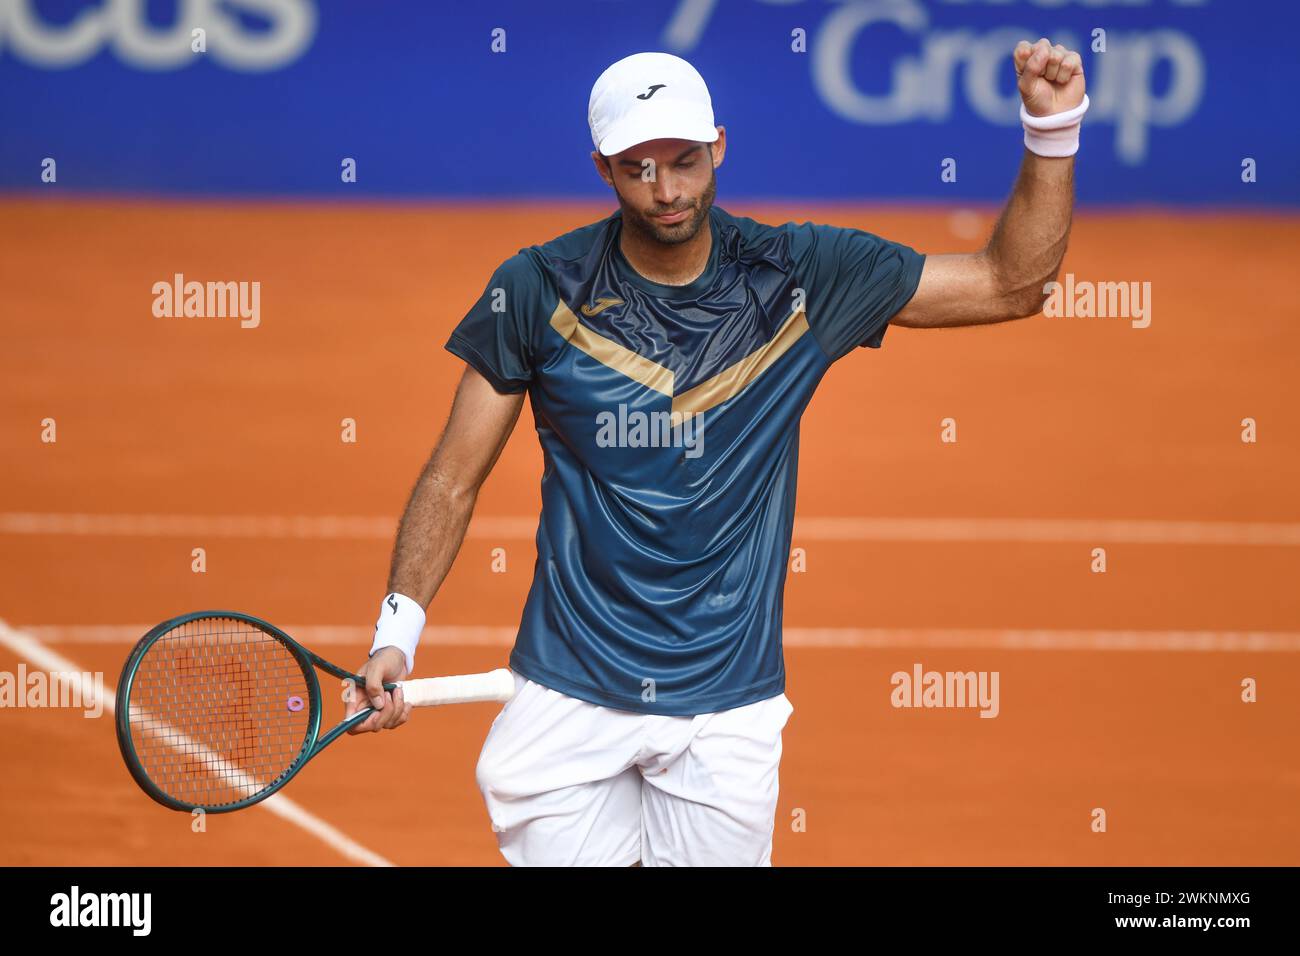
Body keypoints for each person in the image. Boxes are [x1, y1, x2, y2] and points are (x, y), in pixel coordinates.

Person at [346, 41, 1088, 866]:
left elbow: (1012, 283)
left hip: (725, 711)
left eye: (685, 161)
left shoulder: (805, 276)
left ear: (720, 147)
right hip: (566, 692)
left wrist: (1049, 134)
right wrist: (396, 634)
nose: (666, 189)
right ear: (603, 168)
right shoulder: (536, 289)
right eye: (639, 168)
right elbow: (454, 475)